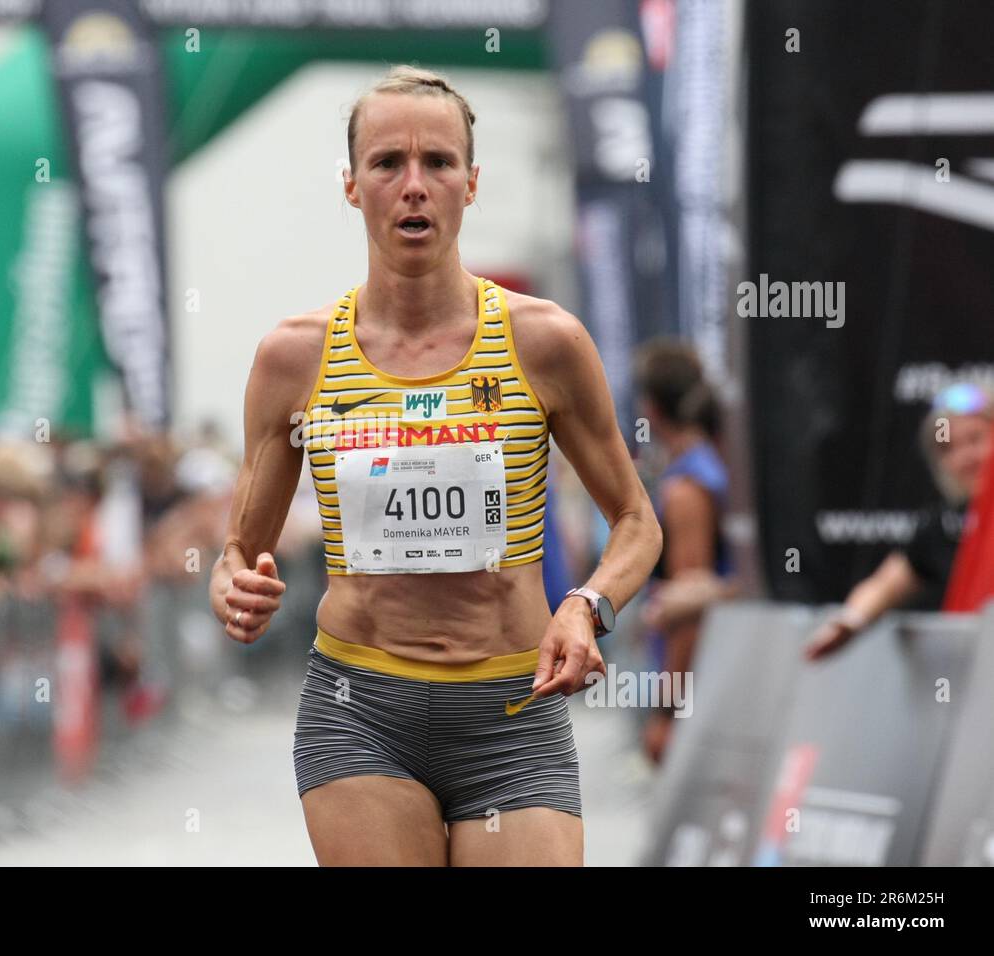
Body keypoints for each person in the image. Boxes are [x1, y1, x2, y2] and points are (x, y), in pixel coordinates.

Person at [208, 65, 661, 866]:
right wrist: (232, 582)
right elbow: (241, 550)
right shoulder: (293, 357)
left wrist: (587, 606)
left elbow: (635, 522)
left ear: (471, 183)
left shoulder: (545, 340)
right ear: (353, 187)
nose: (413, 185)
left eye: (438, 163)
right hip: (360, 708)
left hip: (513, 710)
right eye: (387, 164)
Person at [805, 382, 994, 660]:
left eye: (976, 439)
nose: (965, 458)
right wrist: (850, 620)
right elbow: (888, 582)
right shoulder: (942, 527)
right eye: (948, 449)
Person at [634, 340, 734, 764]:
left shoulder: (687, 490)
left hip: (701, 682)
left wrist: (667, 713)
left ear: (651, 409)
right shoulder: (704, 466)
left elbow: (688, 609)